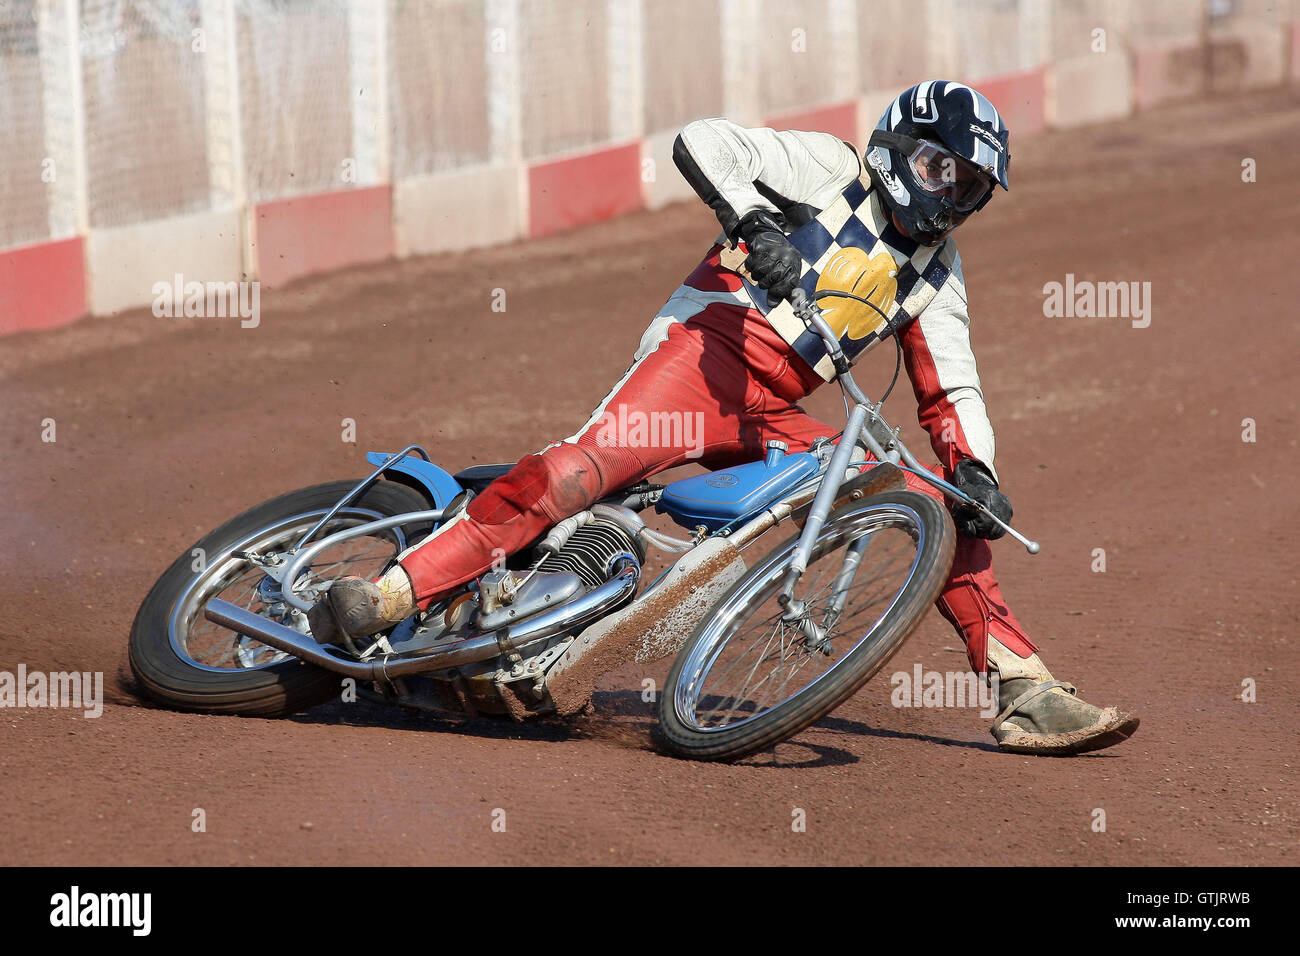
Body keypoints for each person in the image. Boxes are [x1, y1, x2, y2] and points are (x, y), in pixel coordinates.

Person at [310, 80, 1139, 755]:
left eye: (968, 185)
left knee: (932, 500)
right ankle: (390, 593)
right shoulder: (828, 169)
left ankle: (1023, 687)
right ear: (893, 148)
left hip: (773, 411)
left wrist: (976, 472)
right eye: (936, 168)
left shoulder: (935, 273)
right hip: (703, 357)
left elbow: (952, 389)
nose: (948, 194)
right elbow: (706, 140)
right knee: (577, 471)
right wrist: (752, 219)